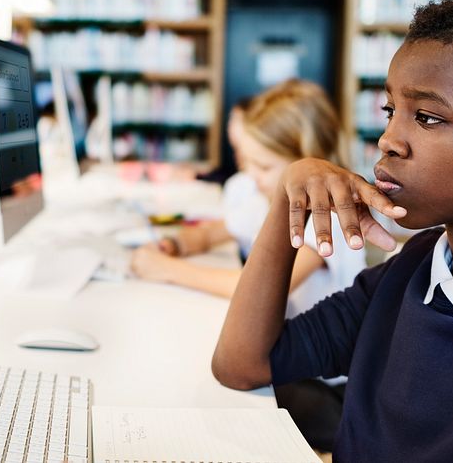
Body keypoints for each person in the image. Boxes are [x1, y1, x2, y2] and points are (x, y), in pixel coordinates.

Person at [211, 0, 453, 461]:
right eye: (392, 111)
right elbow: (242, 364)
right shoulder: (415, 264)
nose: (389, 141)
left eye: (428, 118)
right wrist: (289, 195)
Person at [132, 79, 366, 452]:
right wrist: (179, 243)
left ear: (304, 162)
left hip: (323, 388)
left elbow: (250, 292)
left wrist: (166, 269)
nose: (249, 174)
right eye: (246, 161)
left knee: (204, 393)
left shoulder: (330, 219)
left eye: (263, 165)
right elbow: (214, 232)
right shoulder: (265, 197)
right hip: (284, 361)